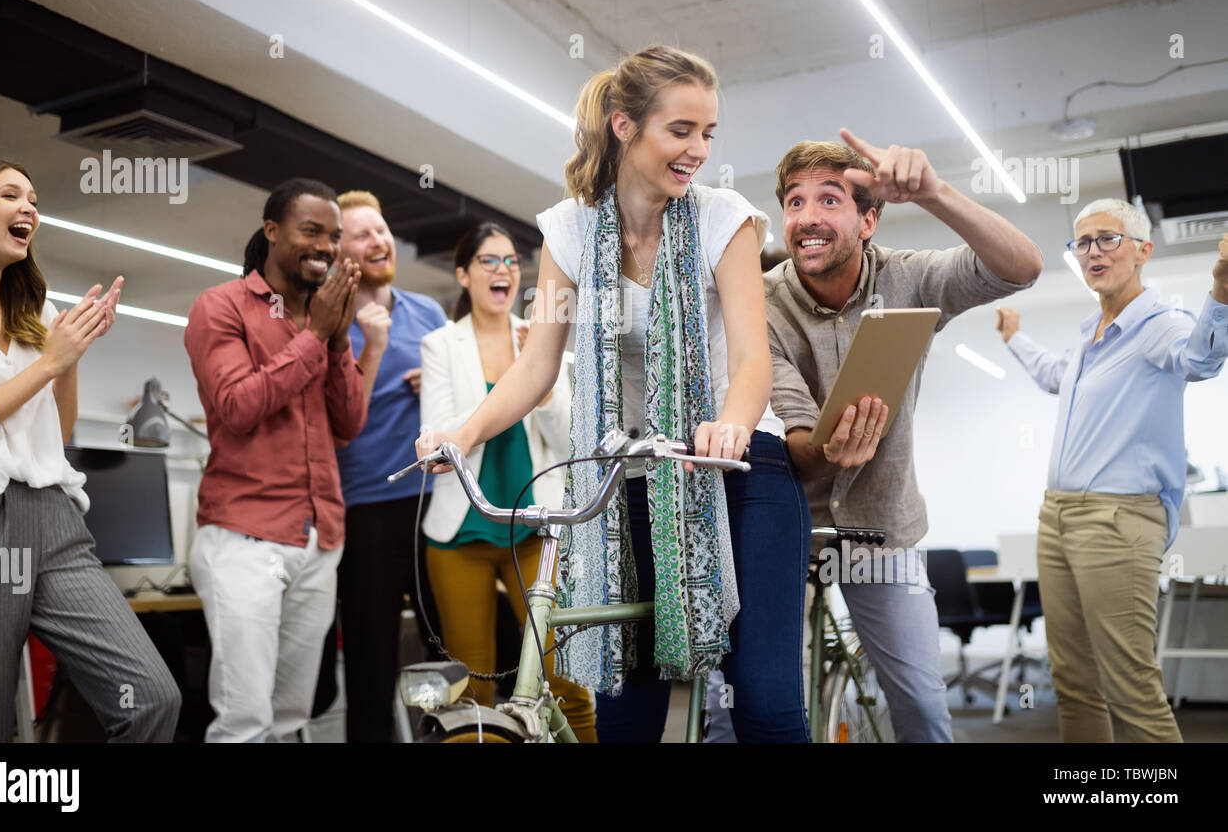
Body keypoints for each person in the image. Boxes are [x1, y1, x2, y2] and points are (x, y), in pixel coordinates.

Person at [419, 45, 811, 743]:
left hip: (743, 465)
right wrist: (465, 432)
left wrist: (730, 424)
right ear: (625, 126)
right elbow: (537, 366)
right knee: (625, 706)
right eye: (681, 130)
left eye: (708, 133)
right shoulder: (570, 229)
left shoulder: (725, 218)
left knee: (763, 698)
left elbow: (754, 357)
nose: (698, 150)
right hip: (629, 471)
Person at [764, 133, 1043, 742]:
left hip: (883, 533)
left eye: (829, 200)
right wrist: (826, 453)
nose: (807, 217)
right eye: (794, 201)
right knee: (745, 709)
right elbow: (798, 438)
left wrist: (935, 192)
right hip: (787, 532)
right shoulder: (761, 304)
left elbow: (1021, 267)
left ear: (868, 219)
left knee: (921, 706)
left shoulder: (909, 278)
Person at [0, 159, 179, 742]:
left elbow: (57, 436)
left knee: (151, 698)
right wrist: (51, 361)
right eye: (11, 194)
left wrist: (71, 356)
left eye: (34, 199)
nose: (29, 209)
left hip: (56, 521)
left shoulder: (35, 315)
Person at [995, 203, 1227, 743]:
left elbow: (1200, 360)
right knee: (1073, 682)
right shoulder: (1090, 335)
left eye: (1107, 239)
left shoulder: (1158, 324)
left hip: (1117, 522)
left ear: (1143, 251)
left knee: (1130, 687)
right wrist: (1014, 339)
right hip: (1058, 518)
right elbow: (1056, 376)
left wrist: (1220, 294)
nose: (1092, 251)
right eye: (1083, 243)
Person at [184, 178, 367, 742]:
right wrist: (315, 335)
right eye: (311, 231)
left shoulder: (323, 318)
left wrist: (336, 342)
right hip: (245, 538)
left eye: (333, 236)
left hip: (317, 539)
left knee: (292, 719)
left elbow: (349, 424)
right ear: (271, 231)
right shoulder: (220, 306)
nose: (326, 247)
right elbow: (237, 406)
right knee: (245, 721)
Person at [419, 222, 596, 741]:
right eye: (489, 261)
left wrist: (534, 379)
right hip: (461, 531)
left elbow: (567, 440)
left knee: (564, 682)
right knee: (471, 691)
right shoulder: (441, 345)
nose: (504, 270)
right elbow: (443, 429)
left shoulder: (544, 341)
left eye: (512, 261)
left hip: (535, 531)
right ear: (463, 275)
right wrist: (512, 383)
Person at [325, 189, 447, 743]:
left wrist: (440, 385)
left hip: (432, 502)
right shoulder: (327, 321)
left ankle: (436, 733)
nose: (379, 241)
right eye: (362, 234)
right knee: (372, 658)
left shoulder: (429, 313)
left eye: (382, 229)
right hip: (364, 508)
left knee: (441, 647)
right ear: (338, 252)